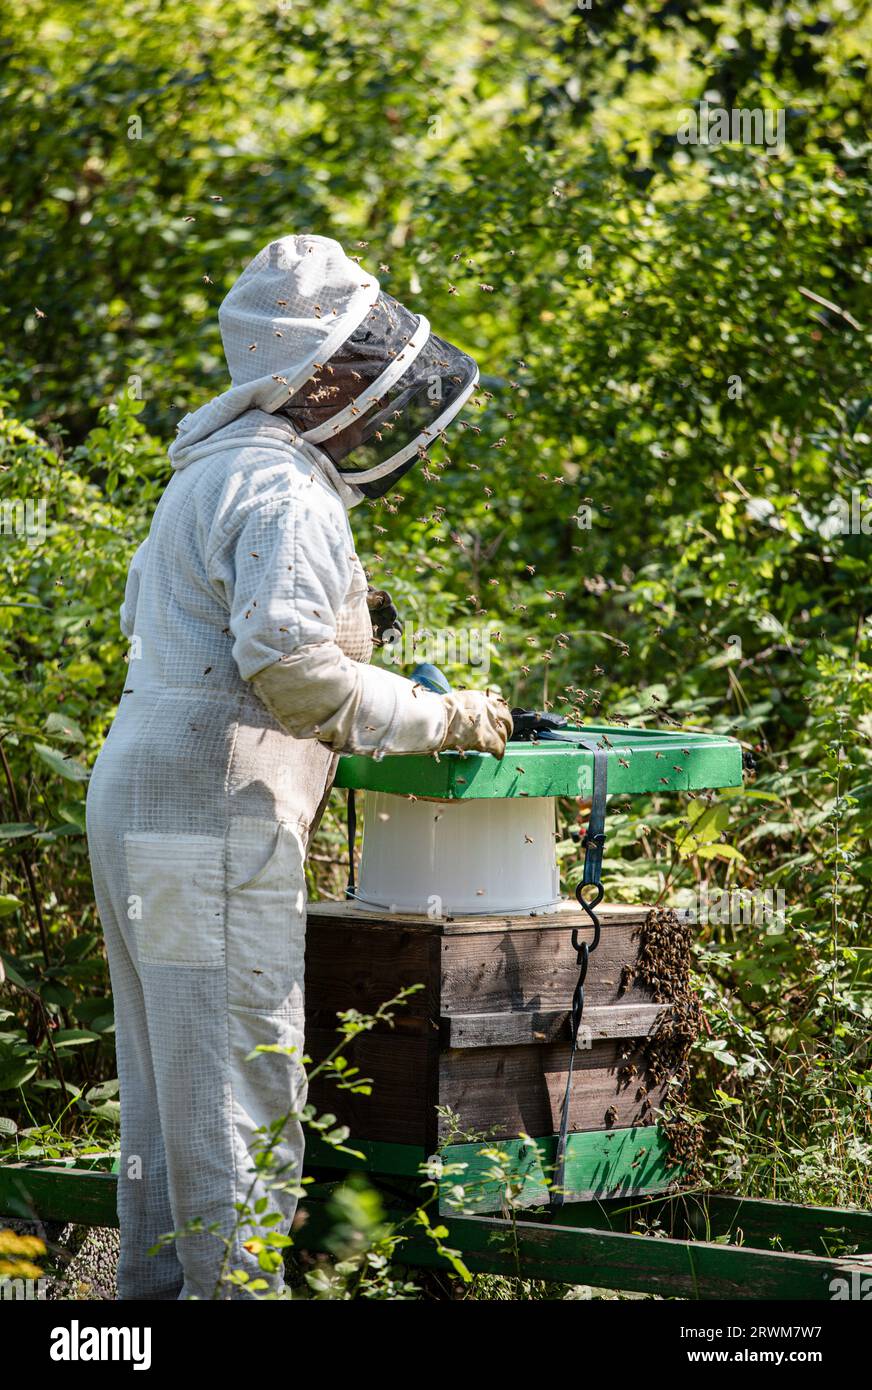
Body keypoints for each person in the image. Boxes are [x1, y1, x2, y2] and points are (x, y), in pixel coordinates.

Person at [85, 234, 512, 1300]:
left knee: (171, 1077)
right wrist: (441, 716)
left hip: (150, 788)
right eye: (364, 379)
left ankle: (146, 1310)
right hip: (211, 801)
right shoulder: (284, 490)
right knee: (235, 1071)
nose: (377, 405)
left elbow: (211, 630)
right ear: (315, 376)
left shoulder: (216, 474)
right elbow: (288, 671)